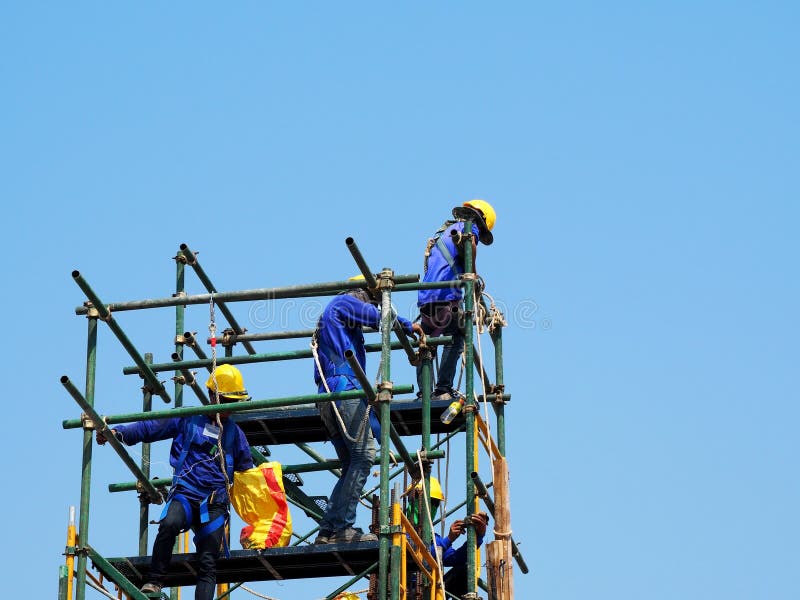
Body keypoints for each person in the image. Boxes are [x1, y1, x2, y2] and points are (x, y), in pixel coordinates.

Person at [96, 364, 254, 599]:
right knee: (169, 524)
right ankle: (155, 581)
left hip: (215, 503)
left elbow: (248, 474)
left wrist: (258, 520)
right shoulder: (188, 419)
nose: (228, 409)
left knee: (209, 562)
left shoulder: (235, 434)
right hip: (186, 493)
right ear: (212, 396)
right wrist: (118, 433)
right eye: (225, 399)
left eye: (233, 402)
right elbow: (151, 426)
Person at [312, 279, 423, 544]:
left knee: (353, 462)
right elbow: (381, 318)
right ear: (363, 294)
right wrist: (410, 325)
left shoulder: (333, 319)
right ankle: (342, 528)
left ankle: (328, 530)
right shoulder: (345, 302)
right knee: (363, 458)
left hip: (329, 396)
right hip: (344, 389)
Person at [417, 199, 497, 401]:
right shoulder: (467, 228)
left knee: (427, 344)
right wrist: (473, 275)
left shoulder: (442, 233)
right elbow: (470, 242)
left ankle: (424, 393)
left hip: (426, 299)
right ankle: (443, 389)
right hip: (446, 298)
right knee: (457, 336)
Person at [405, 477, 490, 598]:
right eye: (428, 501)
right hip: (407, 592)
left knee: (463, 571)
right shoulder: (399, 531)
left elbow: (455, 559)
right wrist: (449, 539)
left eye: (435, 503)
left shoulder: (434, 538)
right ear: (413, 500)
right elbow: (422, 554)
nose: (431, 507)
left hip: (431, 592)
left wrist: (478, 536)